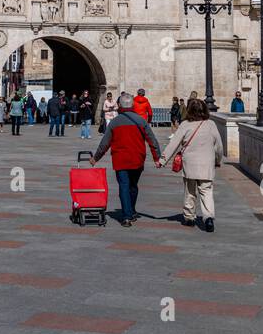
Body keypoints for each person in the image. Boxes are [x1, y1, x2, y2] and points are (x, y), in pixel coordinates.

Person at [89, 92, 161, 227]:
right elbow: (152, 141)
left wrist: (96, 158)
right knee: (133, 185)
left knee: (124, 186)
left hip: (120, 159)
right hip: (137, 158)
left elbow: (105, 143)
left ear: (120, 105)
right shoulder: (141, 121)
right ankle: (131, 210)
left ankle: (127, 216)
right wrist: (157, 158)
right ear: (132, 105)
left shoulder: (114, 123)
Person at [159, 98, 225, 232]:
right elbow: (219, 146)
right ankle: (209, 218)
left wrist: (162, 160)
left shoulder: (185, 125)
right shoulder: (211, 124)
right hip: (206, 165)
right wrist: (218, 160)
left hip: (190, 165)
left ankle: (189, 217)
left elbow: (173, 144)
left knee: (190, 191)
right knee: (206, 191)